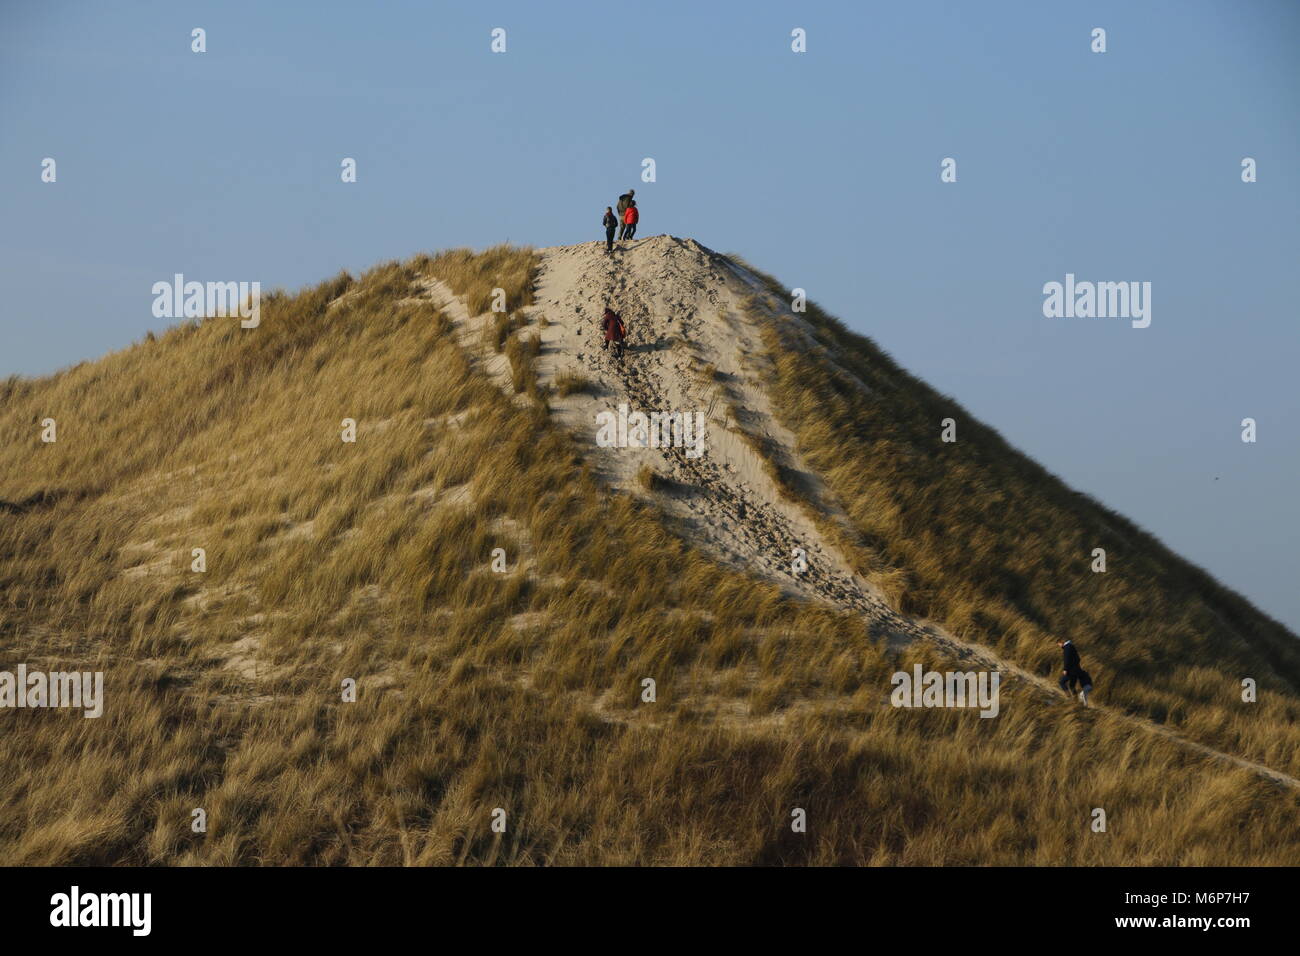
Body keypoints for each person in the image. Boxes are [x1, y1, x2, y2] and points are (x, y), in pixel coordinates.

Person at [1057, 638, 1094, 706]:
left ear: (1061, 642)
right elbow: (1078, 658)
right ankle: (1075, 700)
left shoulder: (1067, 648)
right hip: (1076, 671)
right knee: (1072, 686)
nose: (1059, 646)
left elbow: (1067, 659)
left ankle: (1069, 697)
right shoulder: (1072, 647)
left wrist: (1065, 669)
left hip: (1071, 671)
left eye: (1058, 644)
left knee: (1061, 682)